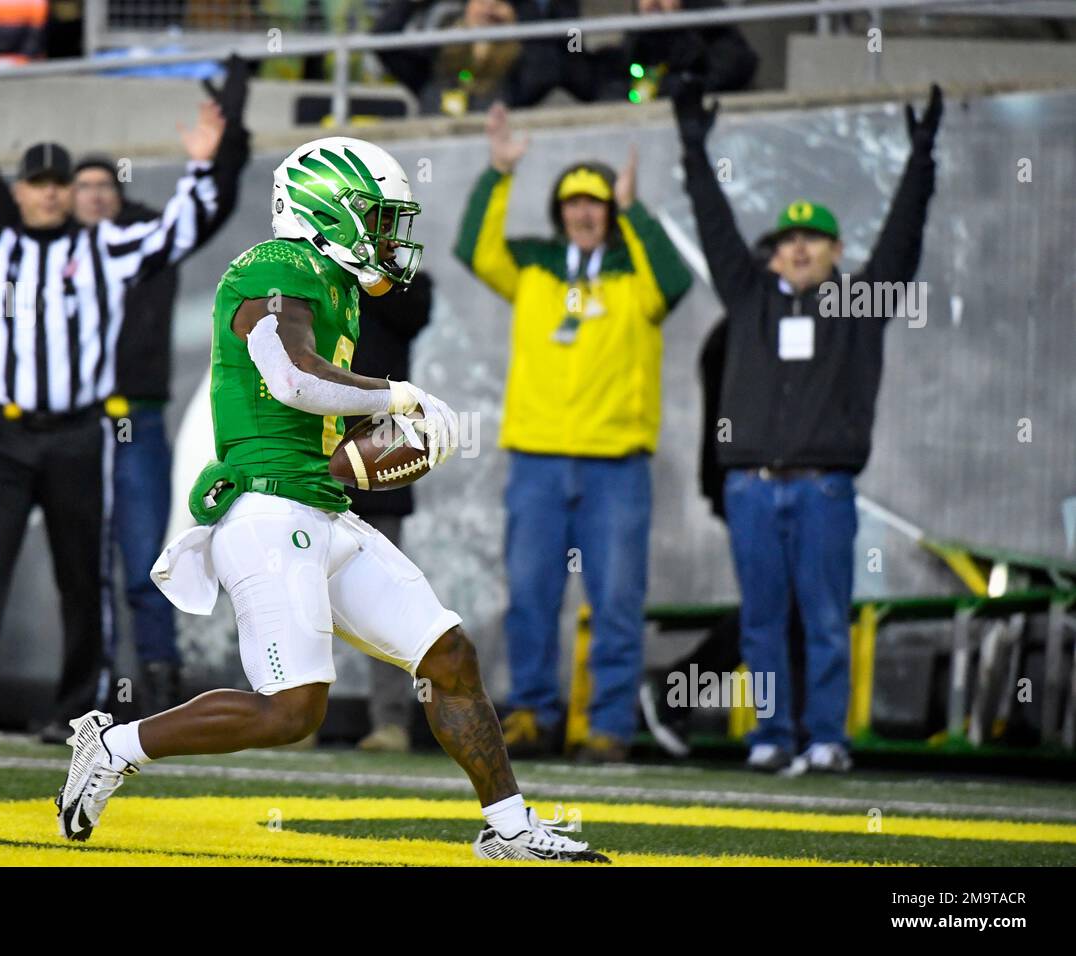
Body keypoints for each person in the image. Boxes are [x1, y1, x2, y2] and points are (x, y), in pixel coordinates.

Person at [55, 136, 611, 862]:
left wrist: (395, 437)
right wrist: (400, 395)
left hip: (319, 505)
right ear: (329, 213)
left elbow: (323, 412)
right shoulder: (276, 264)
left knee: (447, 655)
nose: (388, 236)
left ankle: (509, 829)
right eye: (377, 219)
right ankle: (114, 743)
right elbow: (289, 374)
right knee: (292, 711)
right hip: (266, 512)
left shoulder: (338, 286)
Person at [0, 90, 227, 744]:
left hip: (81, 434)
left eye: (59, 185)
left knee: (82, 578)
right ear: (19, 191)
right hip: (3, 434)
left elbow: (177, 233)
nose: (50, 196)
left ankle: (77, 709)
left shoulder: (106, 249)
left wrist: (200, 169)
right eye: (38, 184)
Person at [0, 49, 252, 724]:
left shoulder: (139, 242)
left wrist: (231, 125)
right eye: (78, 189)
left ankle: (158, 688)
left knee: (142, 561)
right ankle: (57, 699)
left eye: (105, 186)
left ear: (122, 197)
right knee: (54, 567)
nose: (92, 196)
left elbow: (211, 206)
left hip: (132, 418)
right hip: (67, 423)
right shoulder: (50, 250)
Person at [672, 76, 942, 773]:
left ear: (835, 251)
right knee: (762, 622)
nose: (797, 249)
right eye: (788, 239)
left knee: (824, 620)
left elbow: (901, 246)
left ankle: (826, 738)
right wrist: (693, 149)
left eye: (812, 240)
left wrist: (921, 161)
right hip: (752, 488)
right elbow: (715, 226)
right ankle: (772, 734)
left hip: (823, 487)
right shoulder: (749, 297)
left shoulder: (858, 306)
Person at [453, 102, 692, 762]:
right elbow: (475, 249)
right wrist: (497, 175)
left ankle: (607, 725)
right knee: (531, 597)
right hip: (536, 459)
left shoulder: (635, 276)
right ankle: (533, 711)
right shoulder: (533, 269)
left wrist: (636, 209)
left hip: (616, 462)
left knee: (616, 600)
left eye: (596, 204)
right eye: (573, 203)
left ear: (609, 213)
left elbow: (676, 283)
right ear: (560, 211)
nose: (585, 213)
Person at [349, 271, 435, 753]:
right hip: (314, 455)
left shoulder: (404, 284)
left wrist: (367, 269)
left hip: (378, 457)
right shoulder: (311, 279)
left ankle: (390, 720)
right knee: (300, 589)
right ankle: (292, 710)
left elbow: (410, 314)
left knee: (380, 598)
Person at [373, 0, 597, 113]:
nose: (489, 6)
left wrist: (524, 16)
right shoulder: (436, 59)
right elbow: (383, 41)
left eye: (500, 2)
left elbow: (548, 69)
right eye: (480, 0)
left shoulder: (520, 70)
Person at [598, 0, 758, 102]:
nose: (654, 1)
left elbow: (737, 65)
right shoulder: (628, 51)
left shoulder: (712, 37)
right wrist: (572, 28)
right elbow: (577, 68)